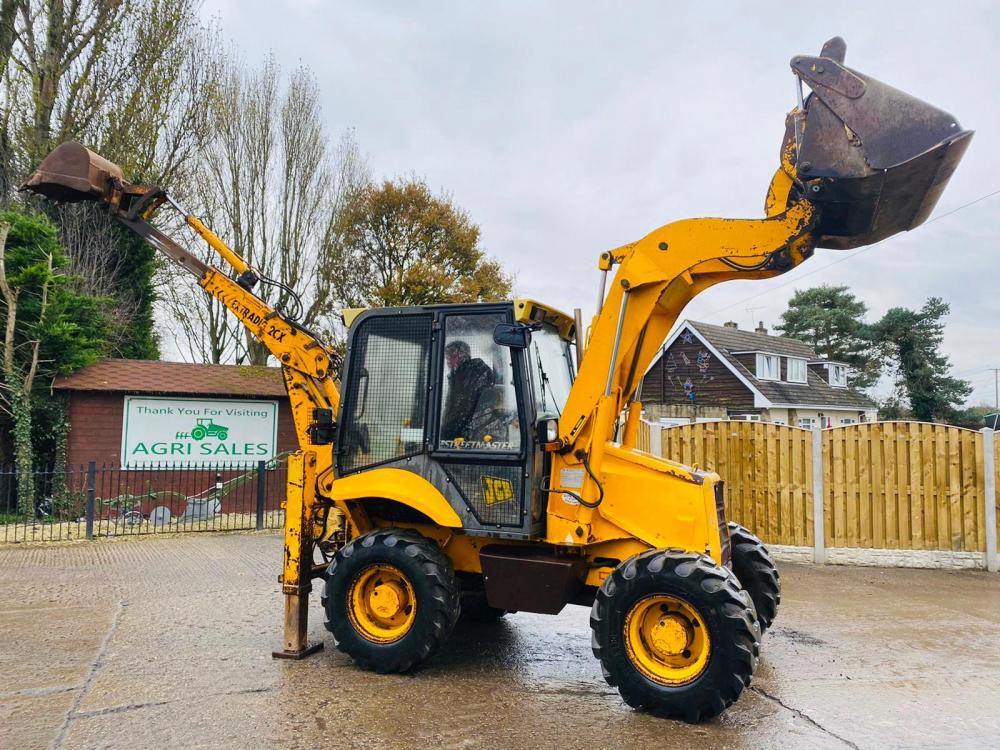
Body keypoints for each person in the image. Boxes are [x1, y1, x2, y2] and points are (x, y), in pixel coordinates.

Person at [441, 339, 494, 441]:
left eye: (453, 357)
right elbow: (450, 407)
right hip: (458, 430)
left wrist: (450, 429)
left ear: (462, 356)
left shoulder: (476, 372)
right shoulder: (454, 376)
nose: (449, 361)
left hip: (475, 431)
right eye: (447, 358)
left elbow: (465, 405)